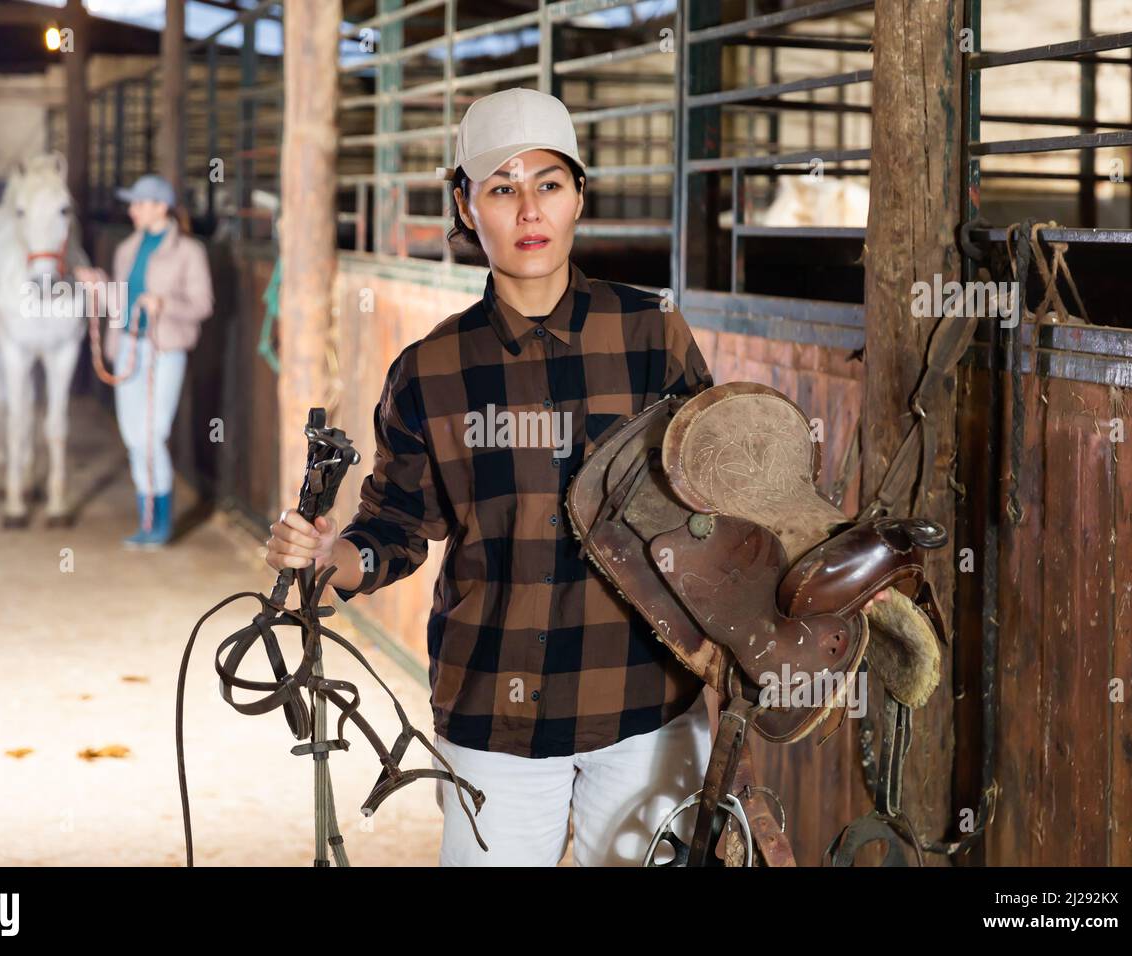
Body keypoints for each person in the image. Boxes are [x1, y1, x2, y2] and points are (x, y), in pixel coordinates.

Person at [264, 88, 884, 865]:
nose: (529, 211)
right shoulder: (431, 370)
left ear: (579, 195)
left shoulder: (650, 332)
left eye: (548, 185)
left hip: (647, 708)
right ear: (465, 205)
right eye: (501, 188)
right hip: (494, 717)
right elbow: (394, 524)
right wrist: (334, 557)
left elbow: (719, 494)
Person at [77, 174, 214, 548]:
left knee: (152, 434)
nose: (132, 210)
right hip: (129, 346)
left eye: (139, 203)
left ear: (159, 207)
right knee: (133, 435)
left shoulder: (189, 251)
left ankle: (160, 522)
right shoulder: (127, 250)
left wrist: (164, 305)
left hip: (164, 350)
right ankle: (147, 519)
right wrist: (98, 286)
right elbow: (120, 306)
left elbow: (203, 305)